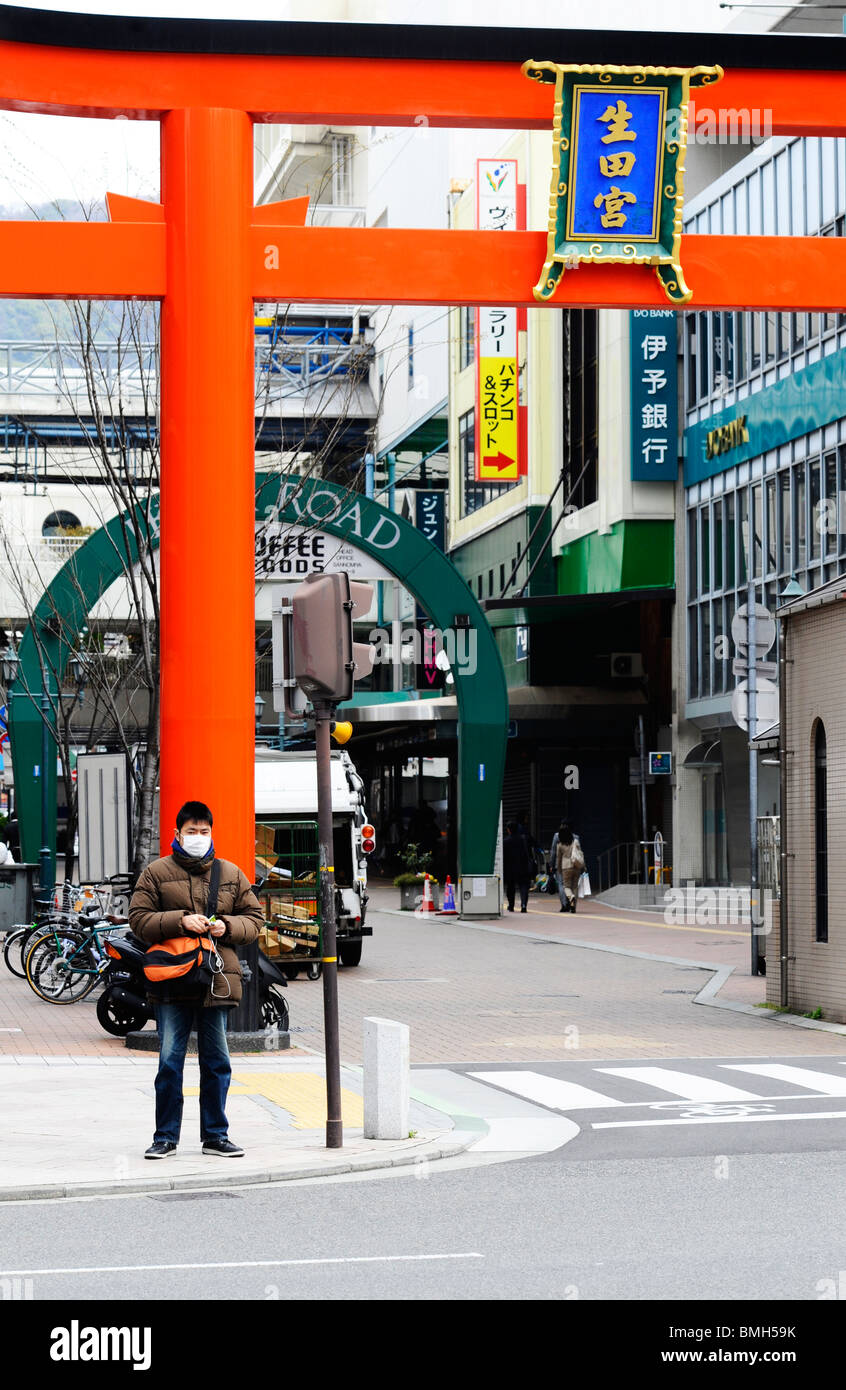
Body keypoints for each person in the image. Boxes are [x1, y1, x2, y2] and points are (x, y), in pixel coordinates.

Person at [129, 800, 263, 1160]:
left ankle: (216, 1135)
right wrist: (180, 920)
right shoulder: (156, 872)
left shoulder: (231, 873)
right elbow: (138, 919)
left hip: (214, 980)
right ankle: (165, 1137)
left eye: (204, 832)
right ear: (177, 834)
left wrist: (228, 926)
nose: (198, 838)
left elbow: (255, 919)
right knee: (169, 1062)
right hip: (172, 980)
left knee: (217, 1061)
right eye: (192, 832)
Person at [503, 820, 533, 914]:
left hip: (510, 868)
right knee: (523, 886)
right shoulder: (523, 839)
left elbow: (504, 856)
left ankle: (511, 905)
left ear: (508, 830)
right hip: (523, 866)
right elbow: (529, 853)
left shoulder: (506, 841)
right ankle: (524, 905)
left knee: (510, 887)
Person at [555, 821, 585, 914]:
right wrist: (584, 866)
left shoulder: (560, 845)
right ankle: (574, 907)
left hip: (566, 867)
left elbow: (558, 859)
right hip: (576, 866)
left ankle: (570, 897)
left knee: (566, 886)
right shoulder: (575, 841)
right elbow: (580, 854)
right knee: (575, 886)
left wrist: (558, 869)